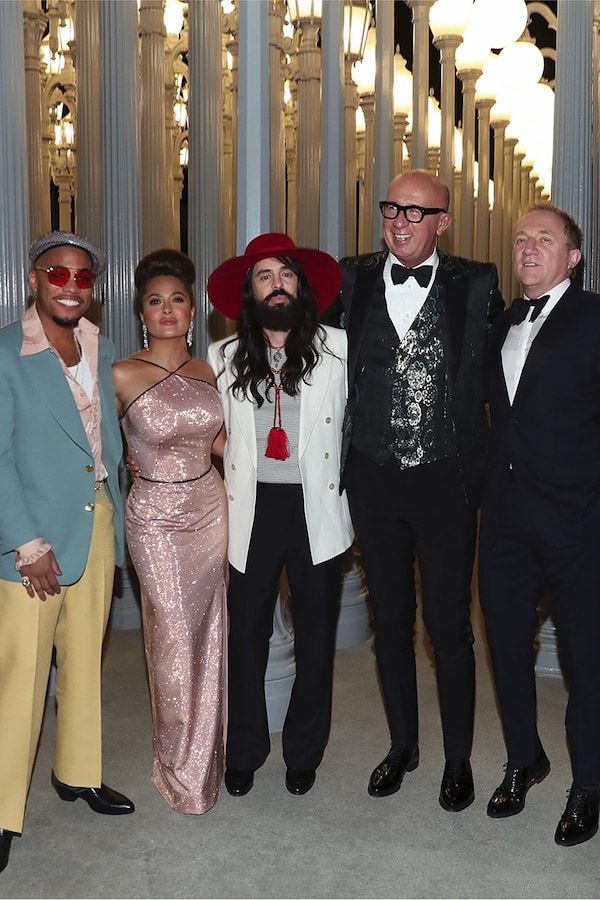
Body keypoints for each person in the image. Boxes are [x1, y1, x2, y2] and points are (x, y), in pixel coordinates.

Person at [338, 169, 504, 810]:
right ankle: (402, 745)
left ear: (444, 222)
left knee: (448, 622)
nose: (400, 221)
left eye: (416, 211)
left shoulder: (480, 281)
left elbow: (508, 364)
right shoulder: (350, 278)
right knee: (389, 619)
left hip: (447, 480)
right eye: (392, 209)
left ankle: (458, 759)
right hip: (373, 478)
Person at [0, 231, 134, 876]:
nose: (70, 284)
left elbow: (104, 442)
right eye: (57, 272)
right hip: (34, 541)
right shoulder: (4, 351)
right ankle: (1, 810)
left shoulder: (99, 345)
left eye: (82, 276)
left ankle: (77, 774)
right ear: (35, 280)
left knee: (85, 660)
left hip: (97, 519)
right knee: (20, 677)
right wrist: (25, 543)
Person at [206, 232, 354, 797]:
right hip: (250, 508)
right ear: (250, 290)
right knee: (245, 634)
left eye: (285, 275)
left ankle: (303, 751)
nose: (276, 286)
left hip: (316, 507)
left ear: (301, 286)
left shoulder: (339, 347)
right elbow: (208, 431)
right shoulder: (222, 357)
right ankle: (244, 749)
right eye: (264, 276)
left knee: (317, 635)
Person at [478, 202, 600, 847]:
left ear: (571, 258)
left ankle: (587, 784)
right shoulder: (500, 323)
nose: (528, 247)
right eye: (521, 237)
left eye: (544, 239)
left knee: (585, 662)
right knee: (504, 650)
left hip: (578, 522)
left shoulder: (594, 318)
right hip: (505, 522)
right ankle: (524, 760)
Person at [113, 248, 228, 815]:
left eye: (177, 300)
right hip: (154, 515)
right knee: (173, 637)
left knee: (210, 633)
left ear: (192, 310)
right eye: (155, 301)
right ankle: (177, 767)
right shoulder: (120, 373)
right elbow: (93, 446)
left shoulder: (211, 370)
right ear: (141, 312)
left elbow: (224, 446)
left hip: (210, 506)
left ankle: (206, 761)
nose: (167, 309)